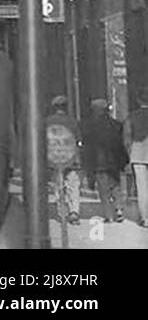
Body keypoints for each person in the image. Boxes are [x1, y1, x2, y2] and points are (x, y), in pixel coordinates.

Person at [80, 97, 129, 223]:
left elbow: (87, 147)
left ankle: (109, 215)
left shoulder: (89, 127)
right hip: (114, 161)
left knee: (103, 190)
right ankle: (119, 209)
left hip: (99, 162)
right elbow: (121, 144)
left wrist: (87, 164)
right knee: (116, 186)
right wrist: (123, 161)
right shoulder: (116, 125)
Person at [45, 96, 82, 225]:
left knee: (58, 185)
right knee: (73, 184)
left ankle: (62, 212)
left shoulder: (47, 122)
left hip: (54, 158)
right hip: (71, 159)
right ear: (65, 107)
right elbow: (78, 139)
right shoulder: (72, 121)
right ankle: (74, 211)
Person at [125, 89, 148, 228]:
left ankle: (145, 218)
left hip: (138, 153)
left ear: (139, 101)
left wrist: (129, 155)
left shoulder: (132, 117)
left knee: (142, 187)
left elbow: (127, 137)